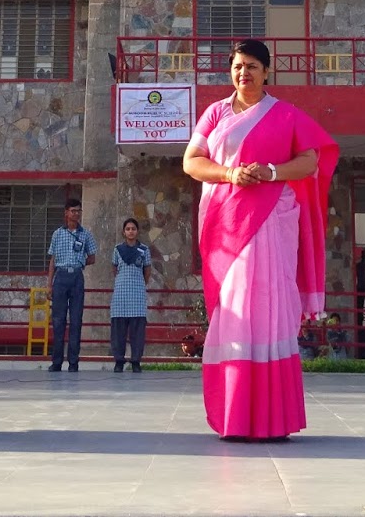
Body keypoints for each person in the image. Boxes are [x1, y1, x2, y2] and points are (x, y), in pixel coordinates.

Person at [182, 38, 340, 441]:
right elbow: (192, 161)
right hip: (226, 224)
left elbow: (311, 160)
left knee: (270, 305)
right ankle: (233, 415)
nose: (243, 73)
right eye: (237, 66)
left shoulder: (285, 115)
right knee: (233, 308)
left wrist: (269, 173)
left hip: (272, 221)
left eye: (252, 66)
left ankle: (274, 417)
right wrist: (231, 174)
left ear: (267, 71)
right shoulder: (214, 114)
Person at [44, 197, 97, 372]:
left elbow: (92, 257)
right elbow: (52, 260)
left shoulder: (86, 234)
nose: (76, 214)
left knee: (76, 320)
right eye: (73, 211)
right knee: (58, 321)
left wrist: (79, 262)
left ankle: (73, 362)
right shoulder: (57, 234)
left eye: (78, 211)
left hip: (76, 277)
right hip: (60, 278)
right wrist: (49, 285)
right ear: (66, 213)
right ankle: (56, 362)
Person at [110, 217, 152, 373]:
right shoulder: (117, 249)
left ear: (137, 231)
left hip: (137, 295)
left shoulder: (144, 250)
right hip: (121, 294)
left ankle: (136, 361)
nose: (130, 231)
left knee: (137, 331)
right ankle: (119, 361)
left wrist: (139, 284)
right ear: (123, 232)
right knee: (118, 331)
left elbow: (147, 271)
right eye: (127, 229)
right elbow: (114, 269)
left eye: (133, 228)